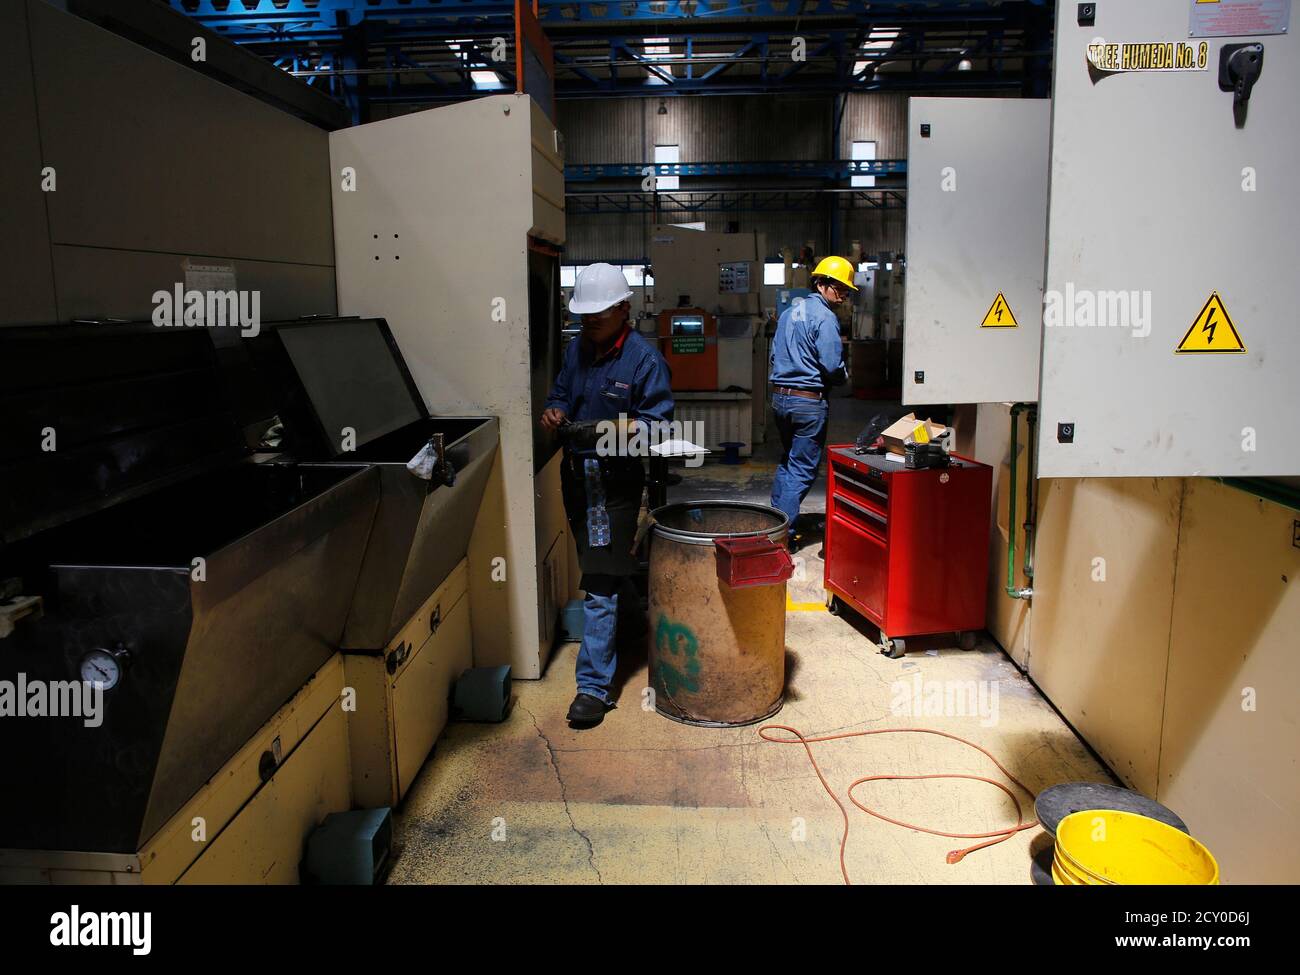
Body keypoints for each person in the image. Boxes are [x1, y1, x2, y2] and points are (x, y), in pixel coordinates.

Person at [540, 263, 674, 727]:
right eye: (583, 313)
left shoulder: (643, 361)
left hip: (612, 481)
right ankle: (635, 622)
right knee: (605, 563)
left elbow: (657, 426)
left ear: (623, 308)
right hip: (575, 475)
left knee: (597, 579)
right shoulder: (577, 349)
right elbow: (560, 394)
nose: (589, 321)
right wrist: (555, 412)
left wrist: (605, 430)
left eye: (598, 313)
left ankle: (594, 688)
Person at [768, 255, 854, 544]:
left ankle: (772, 521)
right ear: (821, 283)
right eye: (839, 287)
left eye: (846, 290)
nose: (842, 295)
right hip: (807, 402)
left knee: (789, 461)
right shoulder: (825, 318)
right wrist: (844, 375)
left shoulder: (791, 312)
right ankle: (781, 536)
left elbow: (773, 354)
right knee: (803, 469)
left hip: (780, 399)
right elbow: (831, 366)